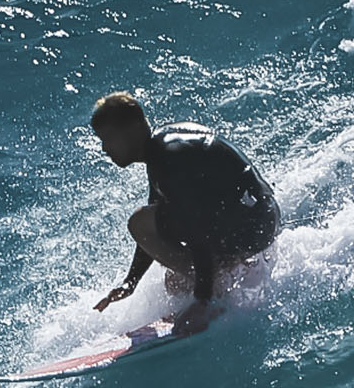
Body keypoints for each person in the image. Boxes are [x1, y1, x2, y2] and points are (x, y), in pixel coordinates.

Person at [87, 91, 281, 338]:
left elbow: (197, 226)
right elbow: (165, 219)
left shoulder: (169, 159)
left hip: (248, 225)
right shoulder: (164, 147)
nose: (105, 149)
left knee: (138, 222)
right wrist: (131, 282)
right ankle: (223, 278)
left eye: (109, 139)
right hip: (262, 220)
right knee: (175, 282)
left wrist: (202, 299)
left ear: (132, 129)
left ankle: (216, 293)